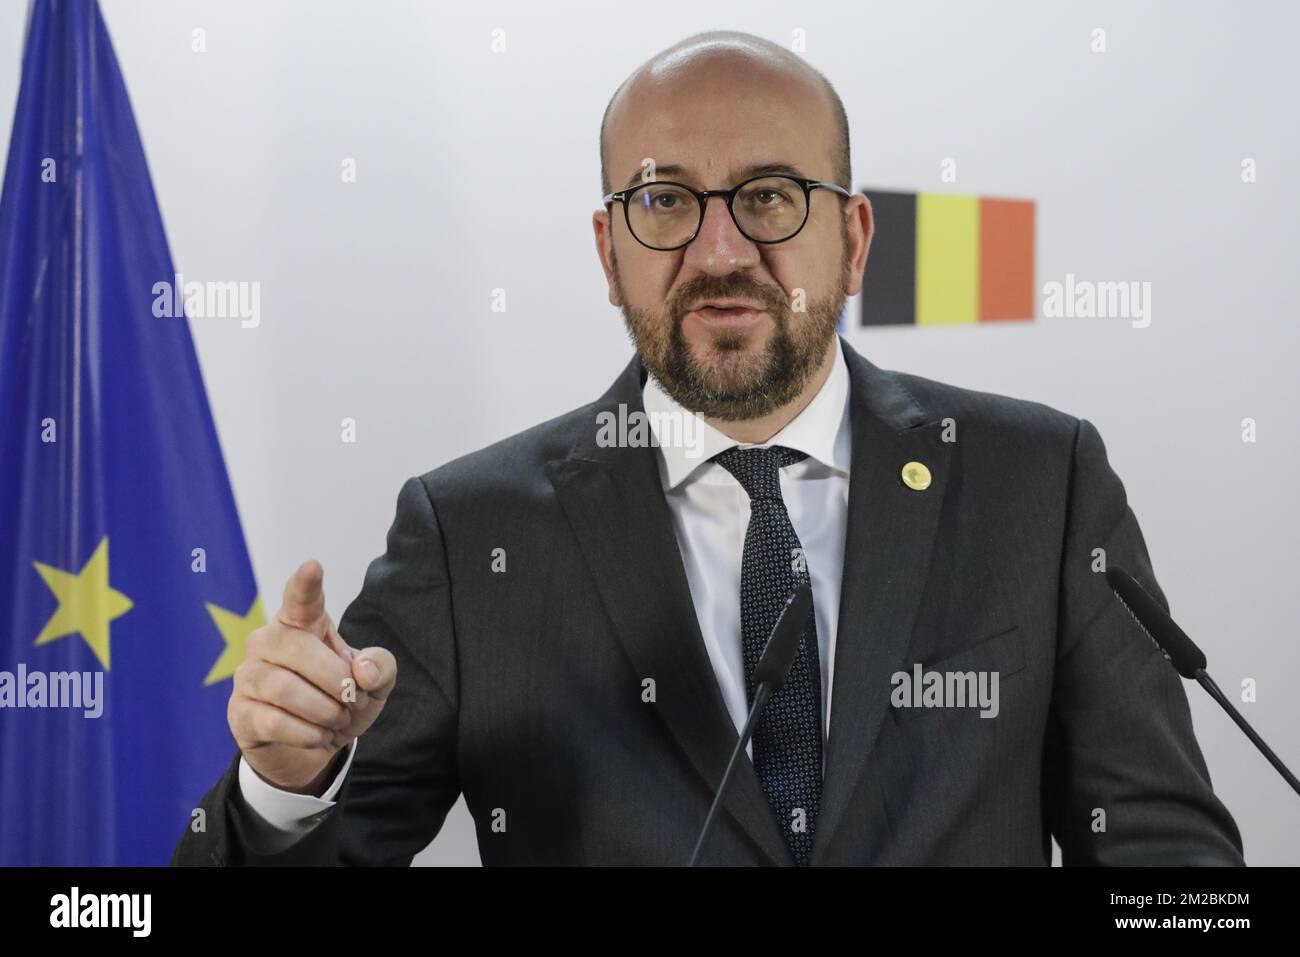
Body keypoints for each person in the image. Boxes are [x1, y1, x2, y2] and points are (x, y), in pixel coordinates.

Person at [172, 31, 1244, 866]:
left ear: (855, 239)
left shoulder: (1036, 483)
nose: (720, 250)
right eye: (664, 200)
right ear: (608, 249)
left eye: (771, 196)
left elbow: (1164, 865)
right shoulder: (471, 536)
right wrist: (282, 787)